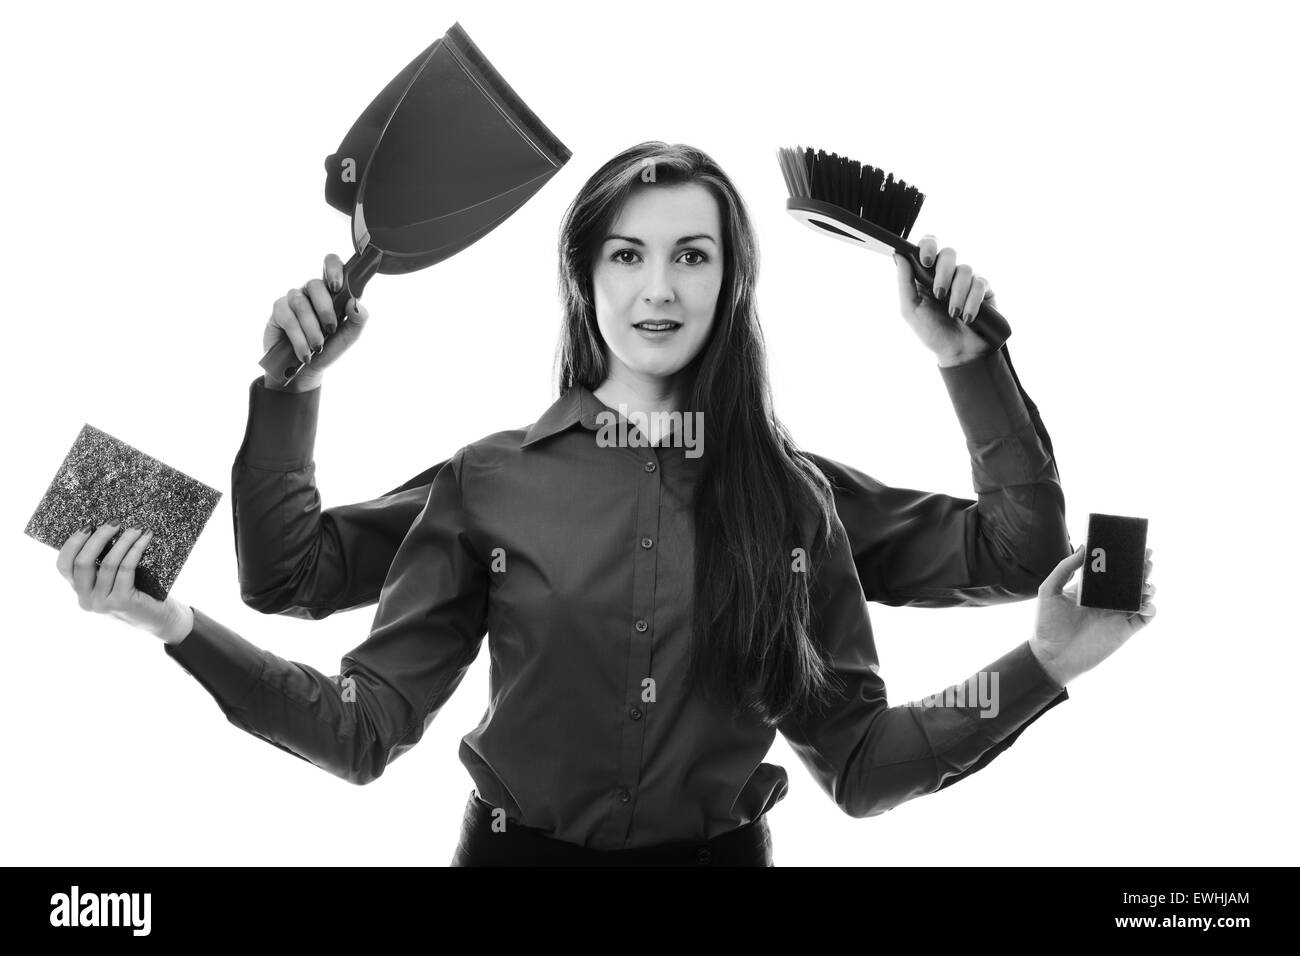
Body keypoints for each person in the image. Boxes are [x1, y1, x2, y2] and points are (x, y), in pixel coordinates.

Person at [56, 142, 1156, 866]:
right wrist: (177, 606)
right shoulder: (490, 482)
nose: (659, 288)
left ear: (732, 284)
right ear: (583, 277)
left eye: (692, 255)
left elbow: (888, 729)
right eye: (627, 254)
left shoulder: (792, 501)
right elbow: (320, 645)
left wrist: (1040, 657)